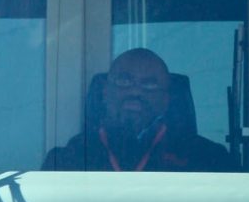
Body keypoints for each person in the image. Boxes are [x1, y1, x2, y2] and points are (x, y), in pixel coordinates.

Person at [44, 48, 231, 173]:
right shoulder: (68, 160)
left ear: (166, 99)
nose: (135, 91)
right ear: (105, 92)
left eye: (149, 84)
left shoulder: (209, 160)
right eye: (124, 81)